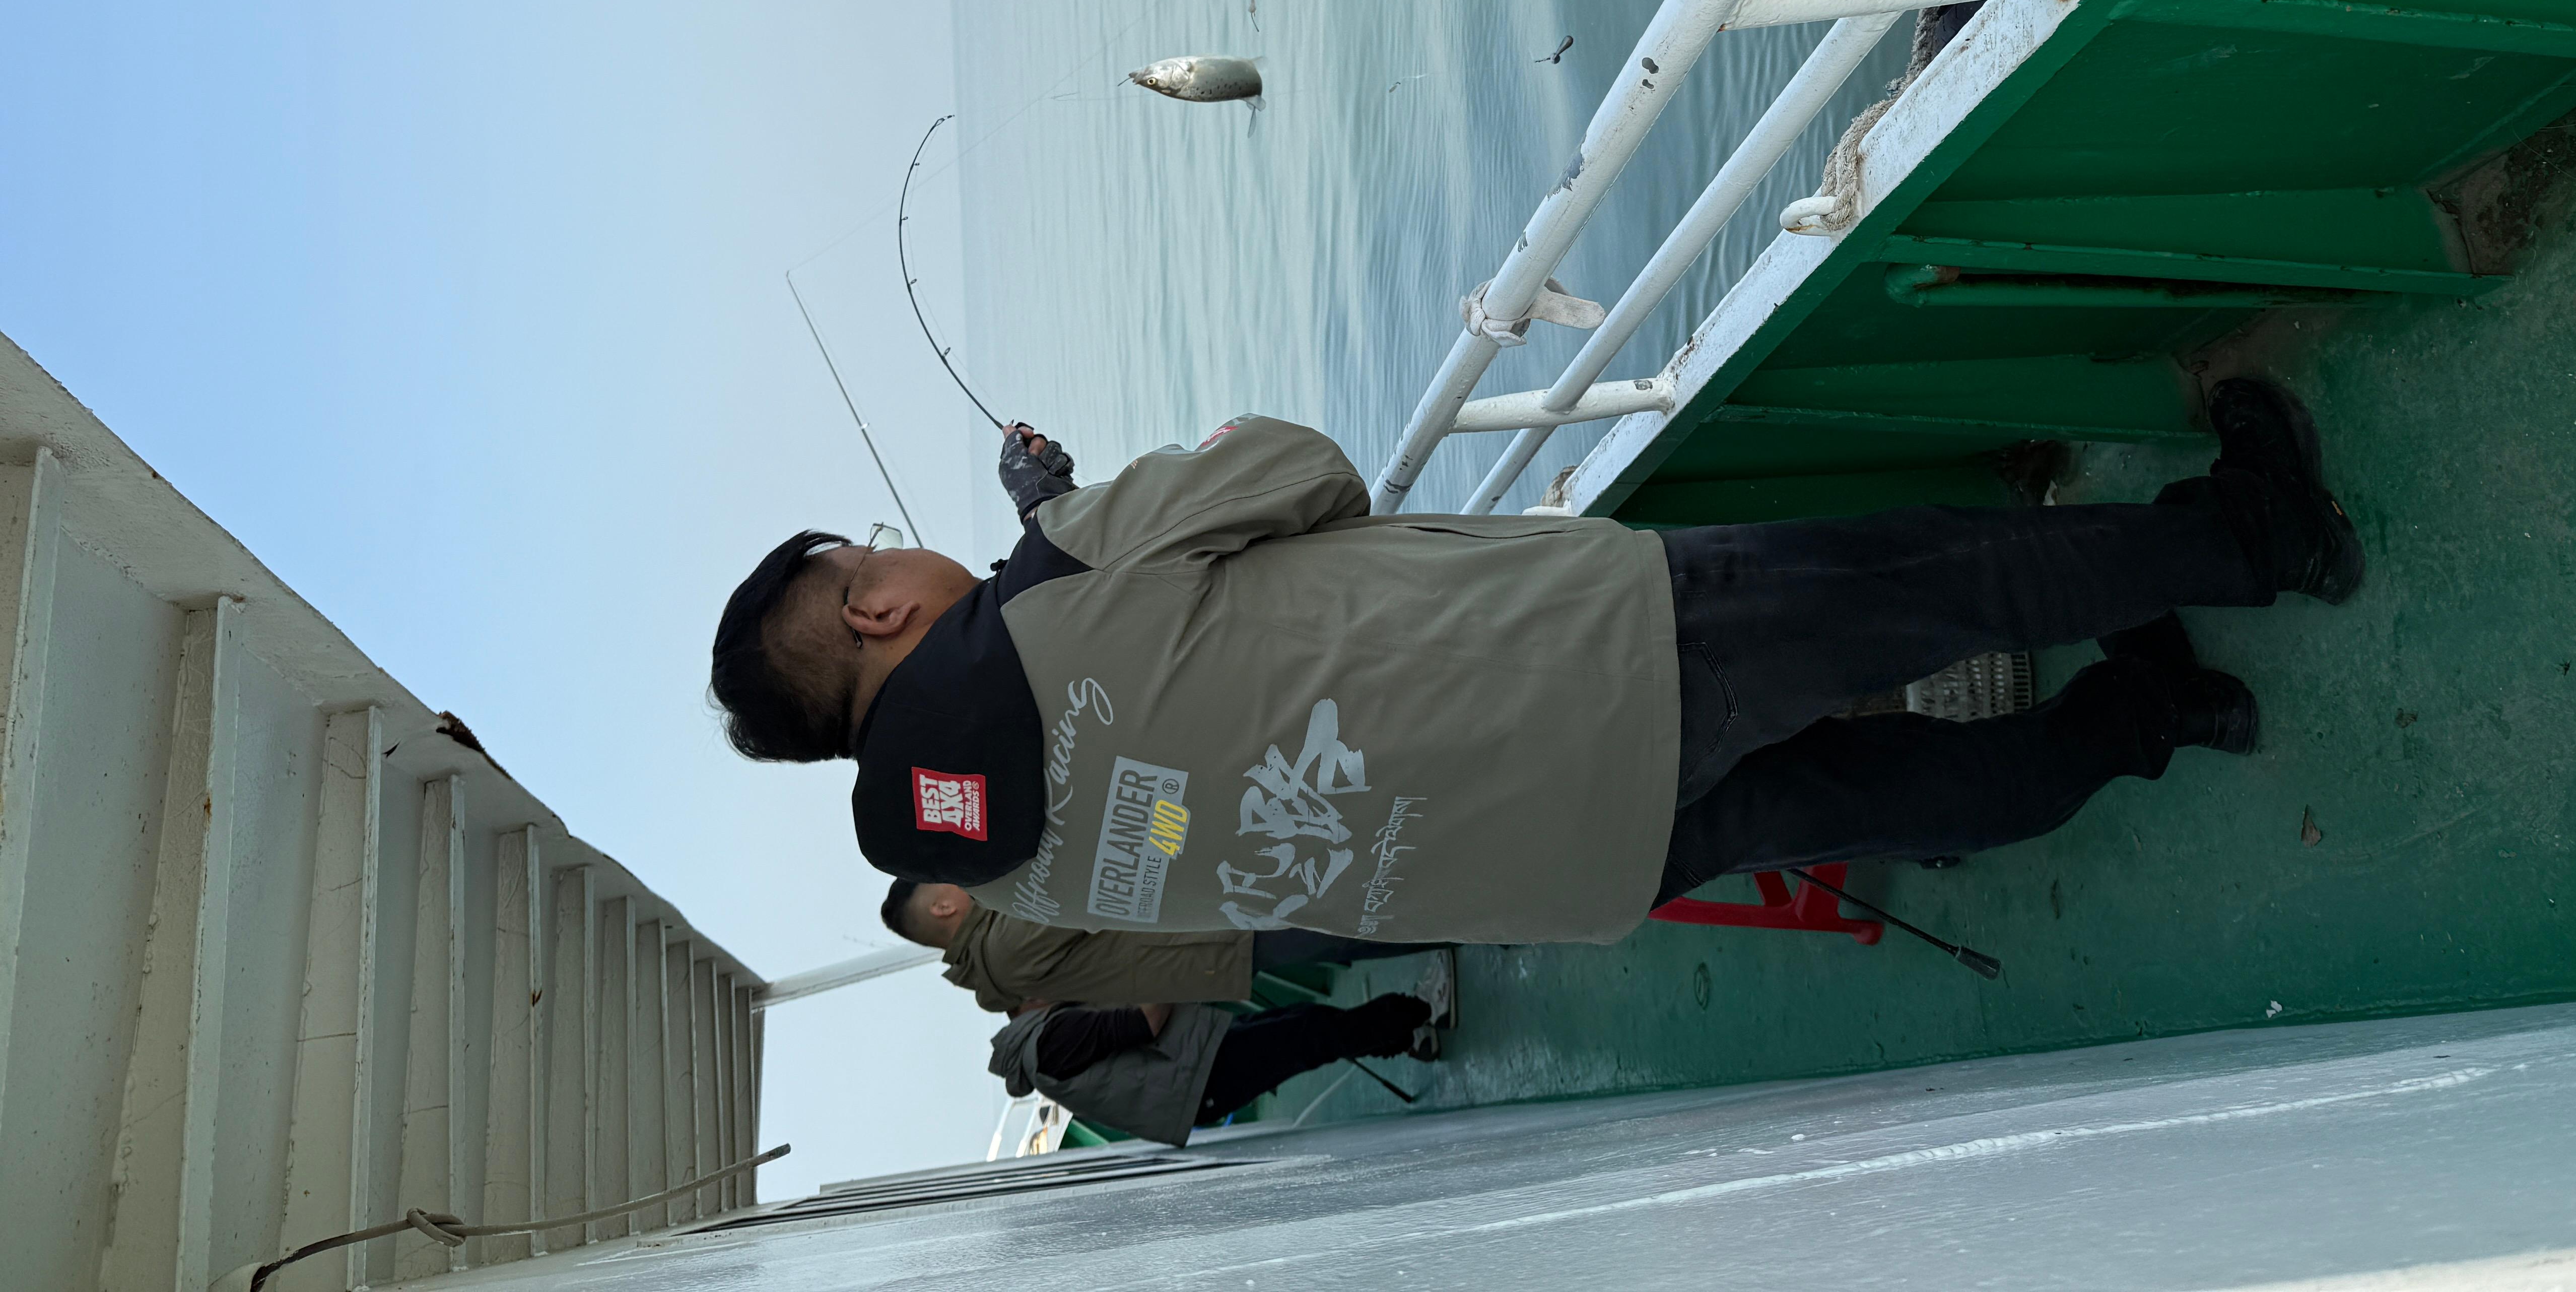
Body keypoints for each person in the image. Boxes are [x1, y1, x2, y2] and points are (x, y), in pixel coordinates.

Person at [708, 379, 2360, 946]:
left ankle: (2154, 708)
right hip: (1588, 654)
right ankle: (2255, 537)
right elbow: (1304, 468)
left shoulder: (1006, 876)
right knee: (1933, 581)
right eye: (872, 558)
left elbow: (1146, 783)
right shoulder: (1063, 570)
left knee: (1902, 792)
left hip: (1568, 859)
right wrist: (1056, 517)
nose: (900, 560)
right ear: (871, 615)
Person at [879, 875, 1448, 1016]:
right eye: (946, 876)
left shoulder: (997, 956)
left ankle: (1456, 919)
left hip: (1205, 940)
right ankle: (1463, 922)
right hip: (1208, 935)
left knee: (1341, 932)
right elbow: (1087, 887)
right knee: (1345, 926)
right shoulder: (1003, 946)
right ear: (944, 908)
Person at [989, 990, 1437, 1147]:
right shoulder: (1051, 1039)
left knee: (1305, 1026)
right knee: (1311, 1033)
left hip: (1197, 1068)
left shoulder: (1041, 1047)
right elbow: (1146, 1022)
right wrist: (1163, 963)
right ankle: (1419, 1013)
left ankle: (1405, 1036)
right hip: (1198, 1074)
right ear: (1025, 1000)